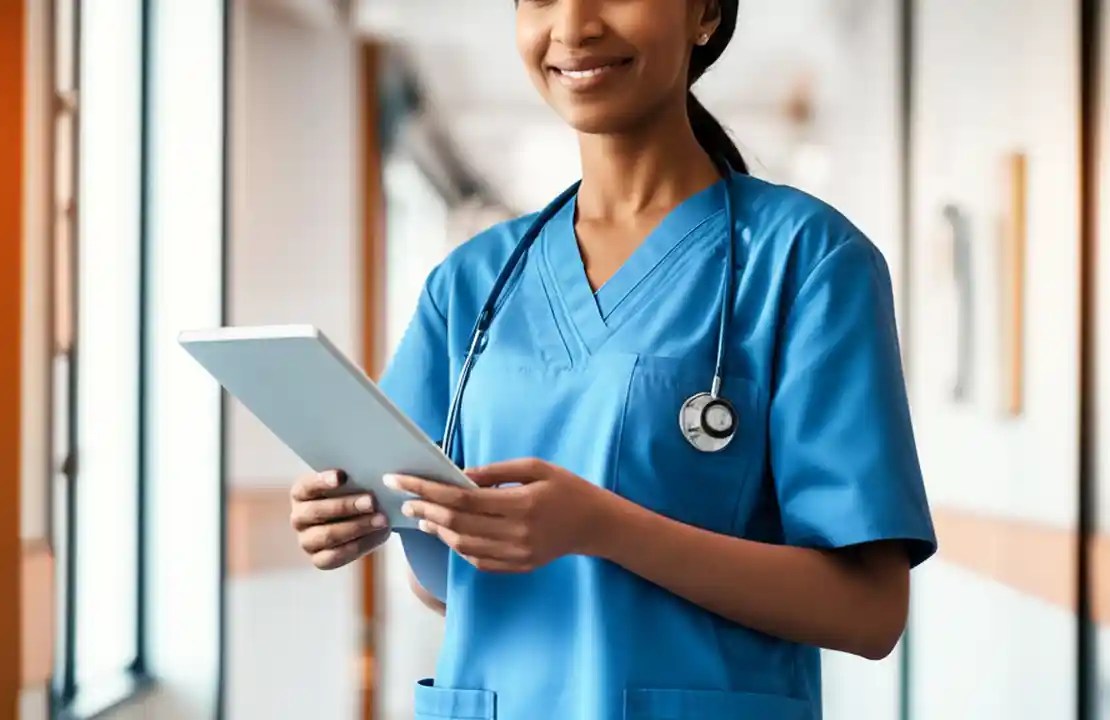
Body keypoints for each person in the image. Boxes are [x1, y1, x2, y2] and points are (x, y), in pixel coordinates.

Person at [288, 1, 935, 718]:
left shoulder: (806, 261)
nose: (573, 26)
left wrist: (603, 528)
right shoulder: (471, 283)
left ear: (705, 14)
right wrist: (358, 514)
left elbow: (870, 611)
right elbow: (444, 582)